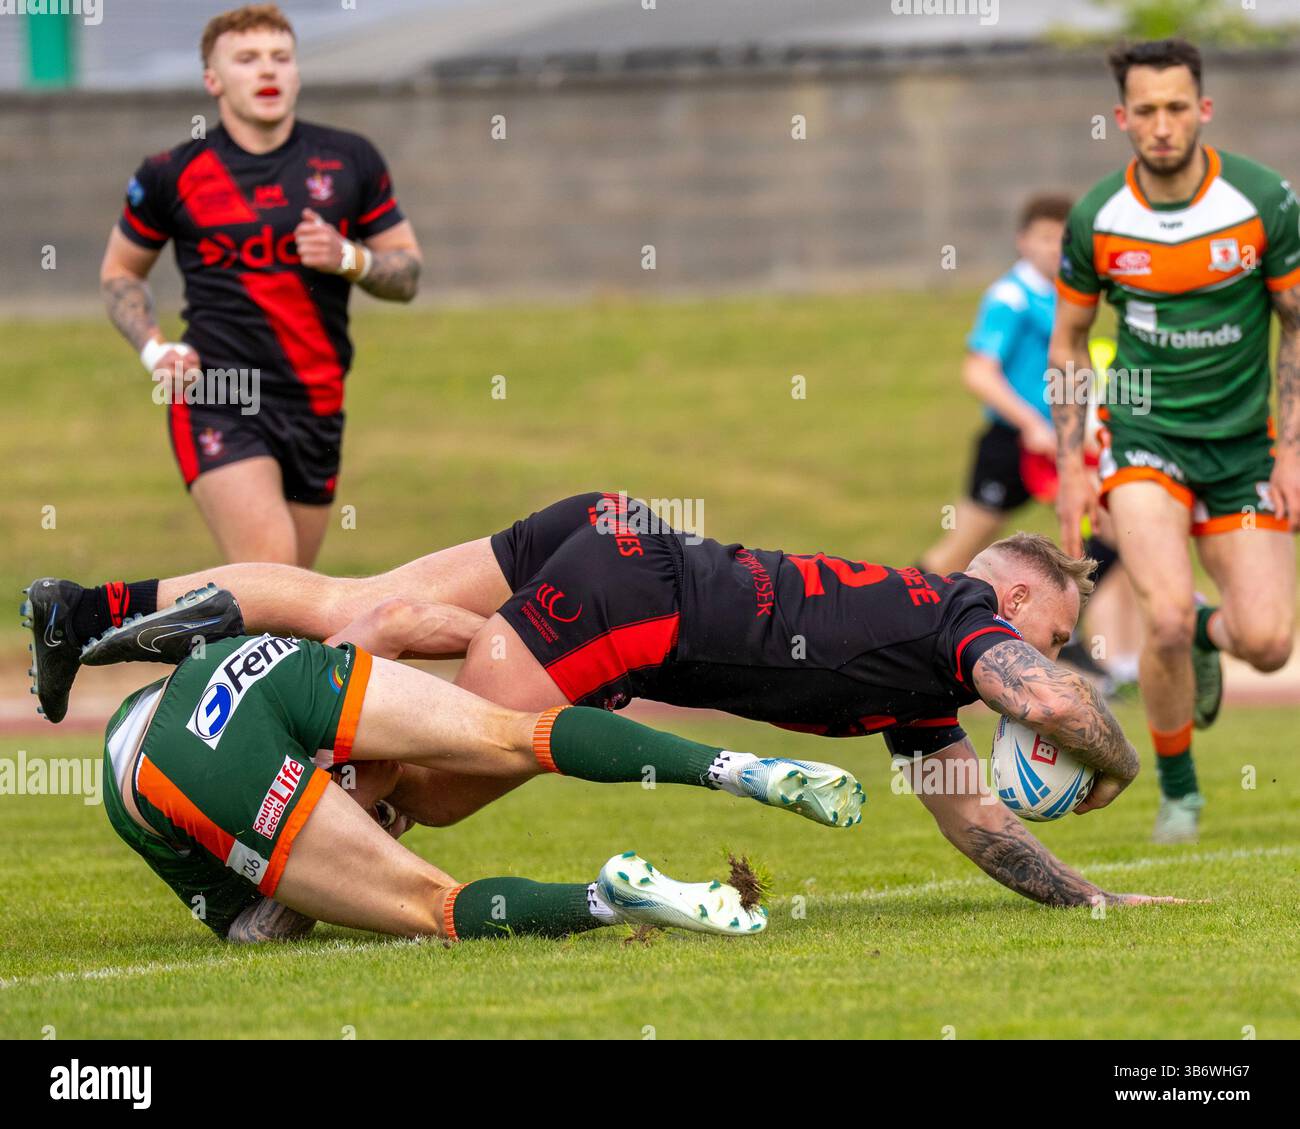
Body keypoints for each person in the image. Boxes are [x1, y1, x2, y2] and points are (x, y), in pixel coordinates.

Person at [30, 492, 1181, 909]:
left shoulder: (919, 688)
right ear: (1015, 592)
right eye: (1058, 630)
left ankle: (90, 609)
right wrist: (1117, 770)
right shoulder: (961, 615)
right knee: (444, 781)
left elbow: (977, 824)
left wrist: (1091, 899)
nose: (1056, 655)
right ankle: (294, 832)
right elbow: (1057, 707)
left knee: (348, 601)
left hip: (616, 533)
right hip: (644, 595)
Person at [101, 592, 867, 943]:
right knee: (516, 733)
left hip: (181, 757)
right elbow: (402, 619)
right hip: (255, 662)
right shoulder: (269, 678)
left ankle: (611, 900)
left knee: (429, 903)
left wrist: (356, 834)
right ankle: (736, 767)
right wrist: (513, 648)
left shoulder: (154, 775)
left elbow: (264, 924)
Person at [1050, 38, 1300, 843]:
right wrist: (1068, 465)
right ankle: (1181, 795)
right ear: (1122, 118)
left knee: (1266, 641)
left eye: (1178, 107)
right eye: (1147, 110)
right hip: (1143, 438)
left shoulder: (1263, 201)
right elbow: (1068, 341)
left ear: (1205, 109)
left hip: (1244, 450)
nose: (1163, 124)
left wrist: (1292, 447)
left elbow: (1296, 322)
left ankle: (1201, 634)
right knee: (1156, 616)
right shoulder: (1098, 218)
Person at [100, 4, 421, 568]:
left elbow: (408, 273)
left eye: (280, 58)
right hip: (219, 392)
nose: (267, 71)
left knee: (293, 596)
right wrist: (155, 349)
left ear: (298, 72)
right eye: (247, 59)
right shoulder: (171, 172)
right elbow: (120, 272)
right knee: (271, 573)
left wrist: (349, 257)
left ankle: (196, 645)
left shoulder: (350, 159)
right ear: (213, 79)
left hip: (317, 399)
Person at [917, 195, 1141, 694]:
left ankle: (1075, 632)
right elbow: (978, 371)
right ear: (1023, 240)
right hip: (1012, 444)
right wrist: (1028, 423)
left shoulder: (1065, 295)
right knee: (961, 547)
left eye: (1065, 239)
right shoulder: (1010, 297)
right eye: (1045, 237)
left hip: (1056, 447)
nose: (1055, 248)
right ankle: (901, 619)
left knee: (1107, 529)